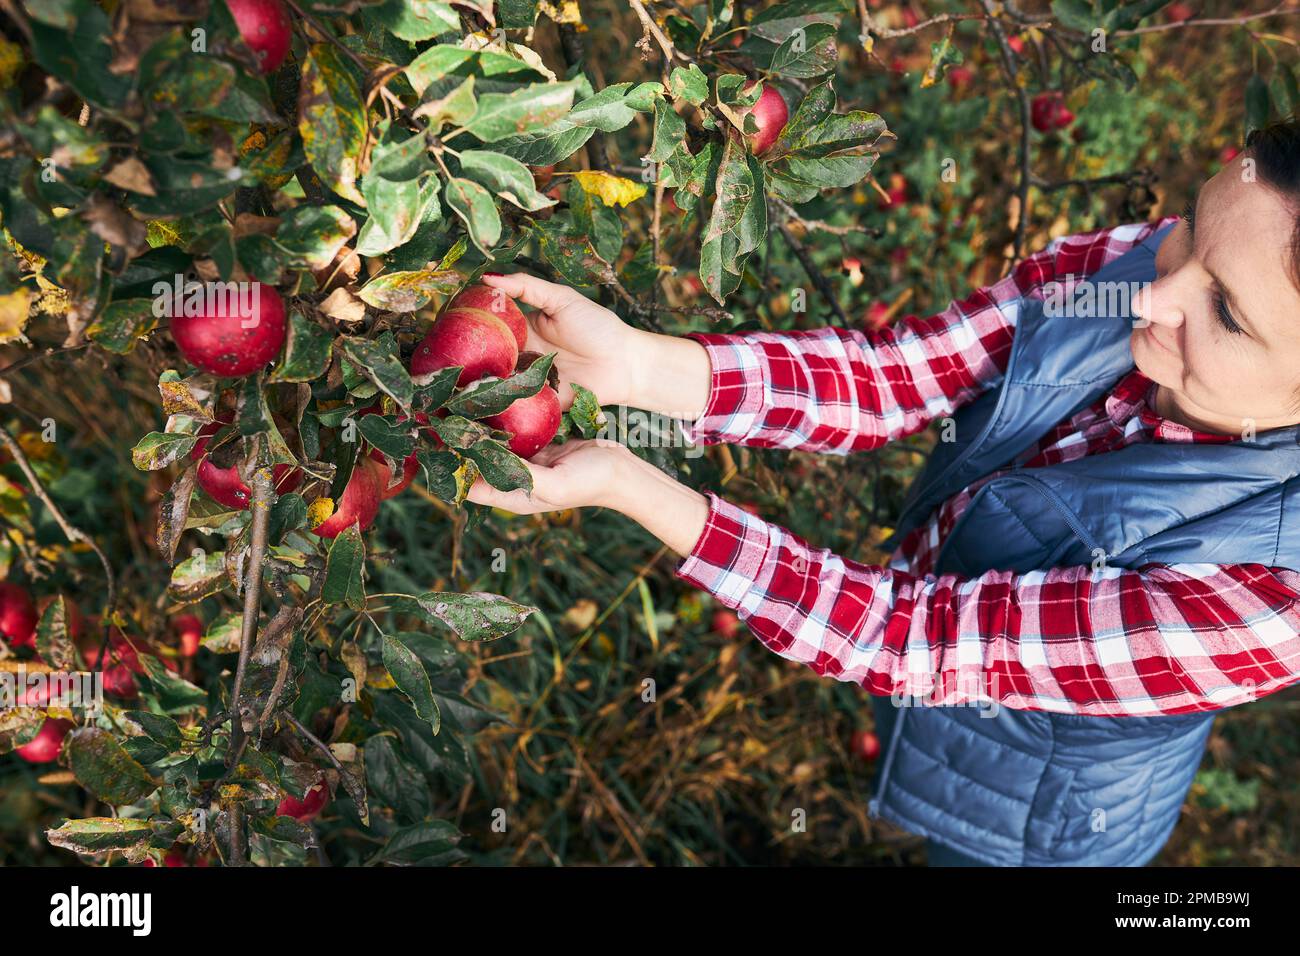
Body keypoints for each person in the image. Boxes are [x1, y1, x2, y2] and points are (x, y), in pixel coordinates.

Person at [468, 117, 1300, 866]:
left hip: (1042, 822)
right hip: (924, 672)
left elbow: (913, 639)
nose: (1154, 294)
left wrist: (630, 482)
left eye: (1227, 313)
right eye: (1190, 226)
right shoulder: (1135, 267)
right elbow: (898, 380)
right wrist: (639, 364)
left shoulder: (1272, 598)